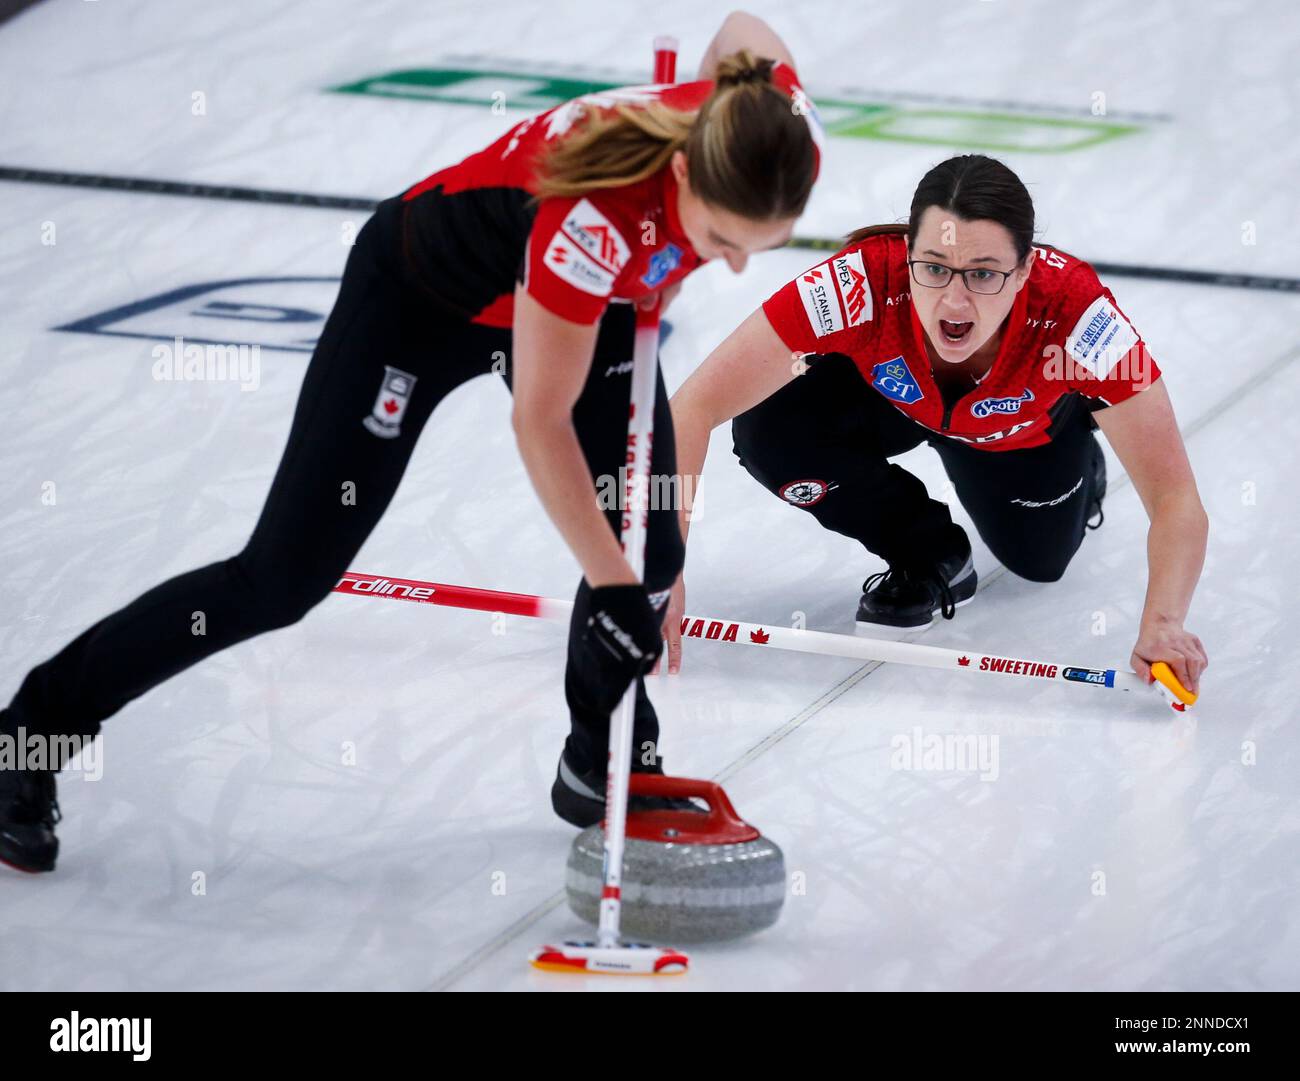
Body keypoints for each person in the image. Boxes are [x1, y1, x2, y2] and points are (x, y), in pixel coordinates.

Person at [0, 12, 825, 873]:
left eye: (753, 248)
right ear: (685, 167)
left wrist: (628, 575)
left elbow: (743, 23)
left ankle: (602, 757)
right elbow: (541, 422)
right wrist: (613, 588)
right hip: (423, 303)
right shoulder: (595, 220)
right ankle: (27, 733)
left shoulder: (777, 127)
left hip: (594, 301)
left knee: (648, 542)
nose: (730, 267)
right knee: (281, 577)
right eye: (721, 241)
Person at [663, 154, 1208, 697]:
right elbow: (692, 408)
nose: (953, 299)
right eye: (934, 267)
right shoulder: (860, 282)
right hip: (896, 401)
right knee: (768, 429)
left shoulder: (1077, 316)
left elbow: (1175, 495)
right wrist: (658, 567)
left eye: (984, 274)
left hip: (1017, 434)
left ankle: (1077, 455)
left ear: (1024, 271)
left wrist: (1164, 626)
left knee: (1038, 565)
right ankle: (930, 553)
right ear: (907, 256)